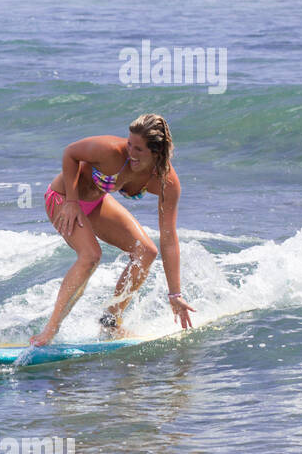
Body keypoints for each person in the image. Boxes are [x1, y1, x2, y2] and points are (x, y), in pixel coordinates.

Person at [32, 113, 195, 346]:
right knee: (90, 256)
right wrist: (72, 202)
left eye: (139, 149)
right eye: (130, 144)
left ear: (157, 152)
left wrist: (175, 294)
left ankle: (110, 322)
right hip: (63, 199)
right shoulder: (110, 151)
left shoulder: (166, 183)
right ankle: (50, 330)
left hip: (97, 203)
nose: (130, 151)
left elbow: (168, 238)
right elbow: (70, 153)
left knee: (146, 252)